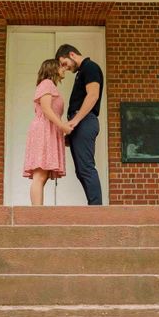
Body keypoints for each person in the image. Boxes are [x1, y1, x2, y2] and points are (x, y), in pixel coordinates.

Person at [56, 43, 103, 206]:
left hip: (85, 121)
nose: (65, 68)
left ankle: (96, 210)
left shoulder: (90, 67)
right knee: (81, 171)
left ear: (72, 55)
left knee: (87, 168)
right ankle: (94, 206)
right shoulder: (82, 72)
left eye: (64, 63)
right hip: (79, 124)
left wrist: (75, 121)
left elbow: (93, 96)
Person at [23, 58, 72, 206]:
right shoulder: (47, 84)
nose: (64, 69)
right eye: (61, 67)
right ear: (52, 69)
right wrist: (63, 126)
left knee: (42, 175)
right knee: (40, 174)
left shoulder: (50, 86)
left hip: (48, 130)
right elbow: (46, 109)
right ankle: (37, 214)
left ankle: (37, 211)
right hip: (43, 130)